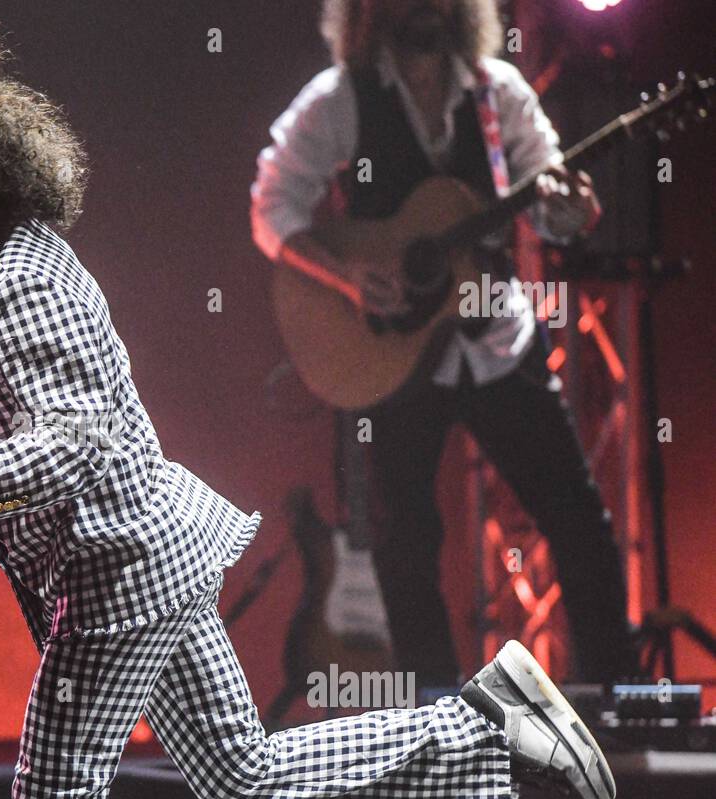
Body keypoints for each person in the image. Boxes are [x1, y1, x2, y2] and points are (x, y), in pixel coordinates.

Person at [0, 24, 614, 799]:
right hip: (147, 558)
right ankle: (486, 718)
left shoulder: (21, 281)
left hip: (119, 570)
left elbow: (77, 446)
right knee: (242, 775)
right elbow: (13, 432)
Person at [251, 0, 635, 688]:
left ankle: (619, 710)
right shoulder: (340, 99)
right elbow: (272, 207)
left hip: (496, 339)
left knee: (578, 522)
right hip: (390, 355)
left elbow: (553, 204)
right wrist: (346, 277)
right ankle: (436, 728)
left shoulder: (499, 95)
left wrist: (569, 210)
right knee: (405, 545)